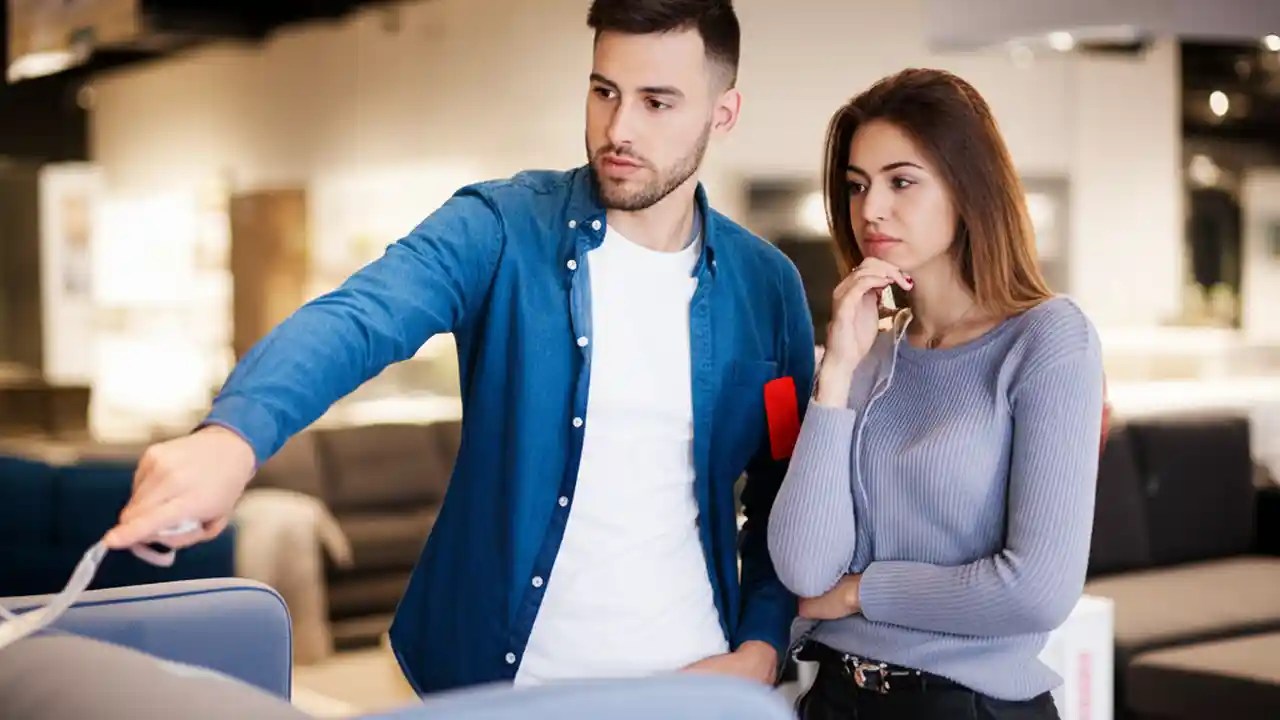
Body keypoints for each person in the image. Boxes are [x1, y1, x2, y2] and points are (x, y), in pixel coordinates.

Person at [103, 0, 815, 696]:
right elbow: (362, 316)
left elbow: (784, 490)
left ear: (722, 115)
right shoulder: (501, 227)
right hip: (503, 684)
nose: (618, 128)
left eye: (658, 103)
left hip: (689, 684)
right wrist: (234, 435)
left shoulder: (767, 287)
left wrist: (760, 647)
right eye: (604, 91)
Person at [767, 68, 1104, 720]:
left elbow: (1036, 591)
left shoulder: (1048, 340)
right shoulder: (867, 350)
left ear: (967, 188)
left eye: (902, 181)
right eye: (858, 186)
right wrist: (836, 369)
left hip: (969, 706)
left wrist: (862, 592)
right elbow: (807, 574)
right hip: (835, 699)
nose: (870, 209)